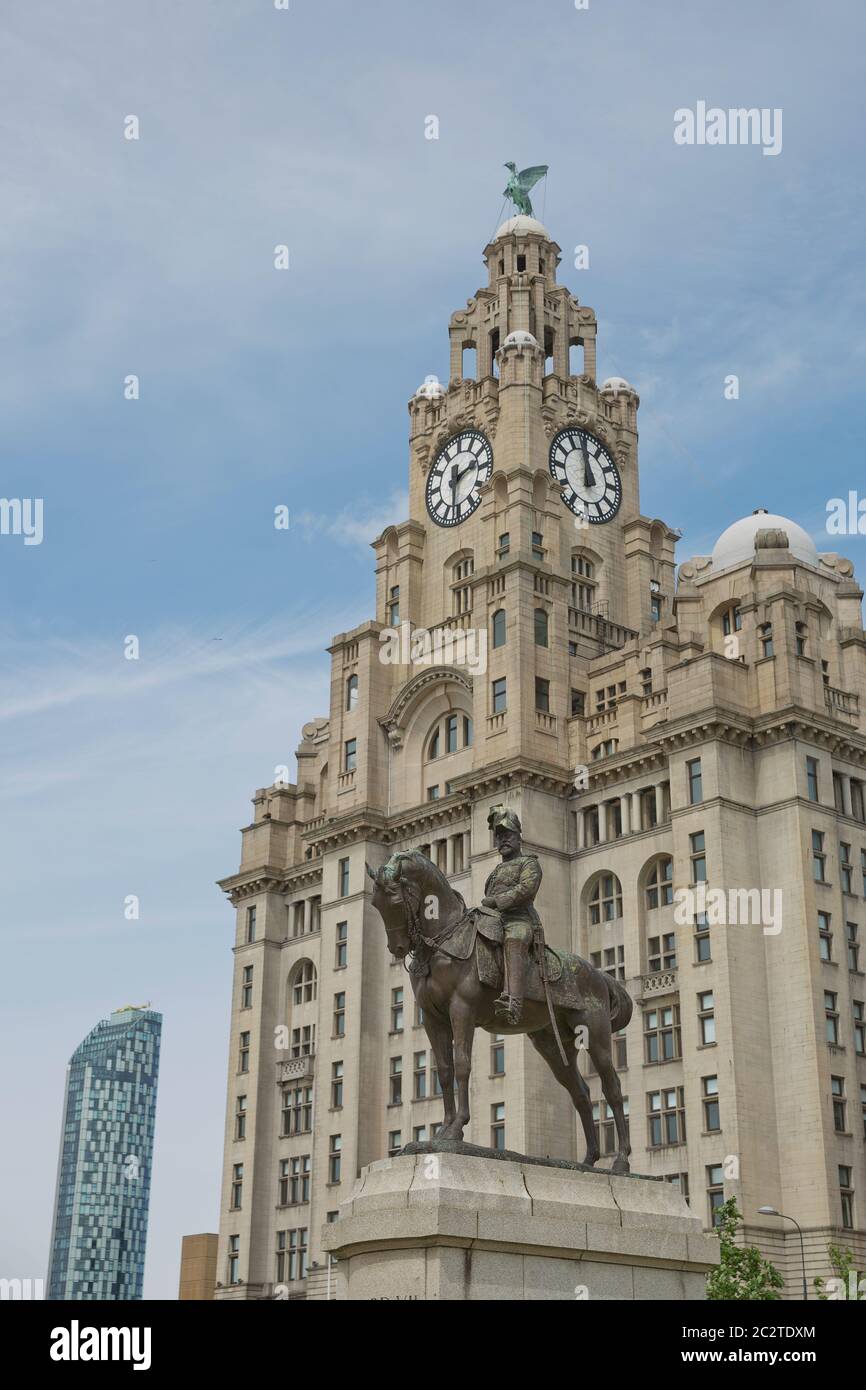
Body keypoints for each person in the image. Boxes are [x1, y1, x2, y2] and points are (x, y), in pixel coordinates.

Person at [482, 806, 542, 1025]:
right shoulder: (495, 871)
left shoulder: (529, 863)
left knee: (514, 940)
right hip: (494, 920)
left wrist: (497, 902)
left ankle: (513, 1002)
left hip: (520, 920)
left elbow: (526, 890)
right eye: (499, 836)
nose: (502, 840)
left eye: (507, 835)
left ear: (518, 837)